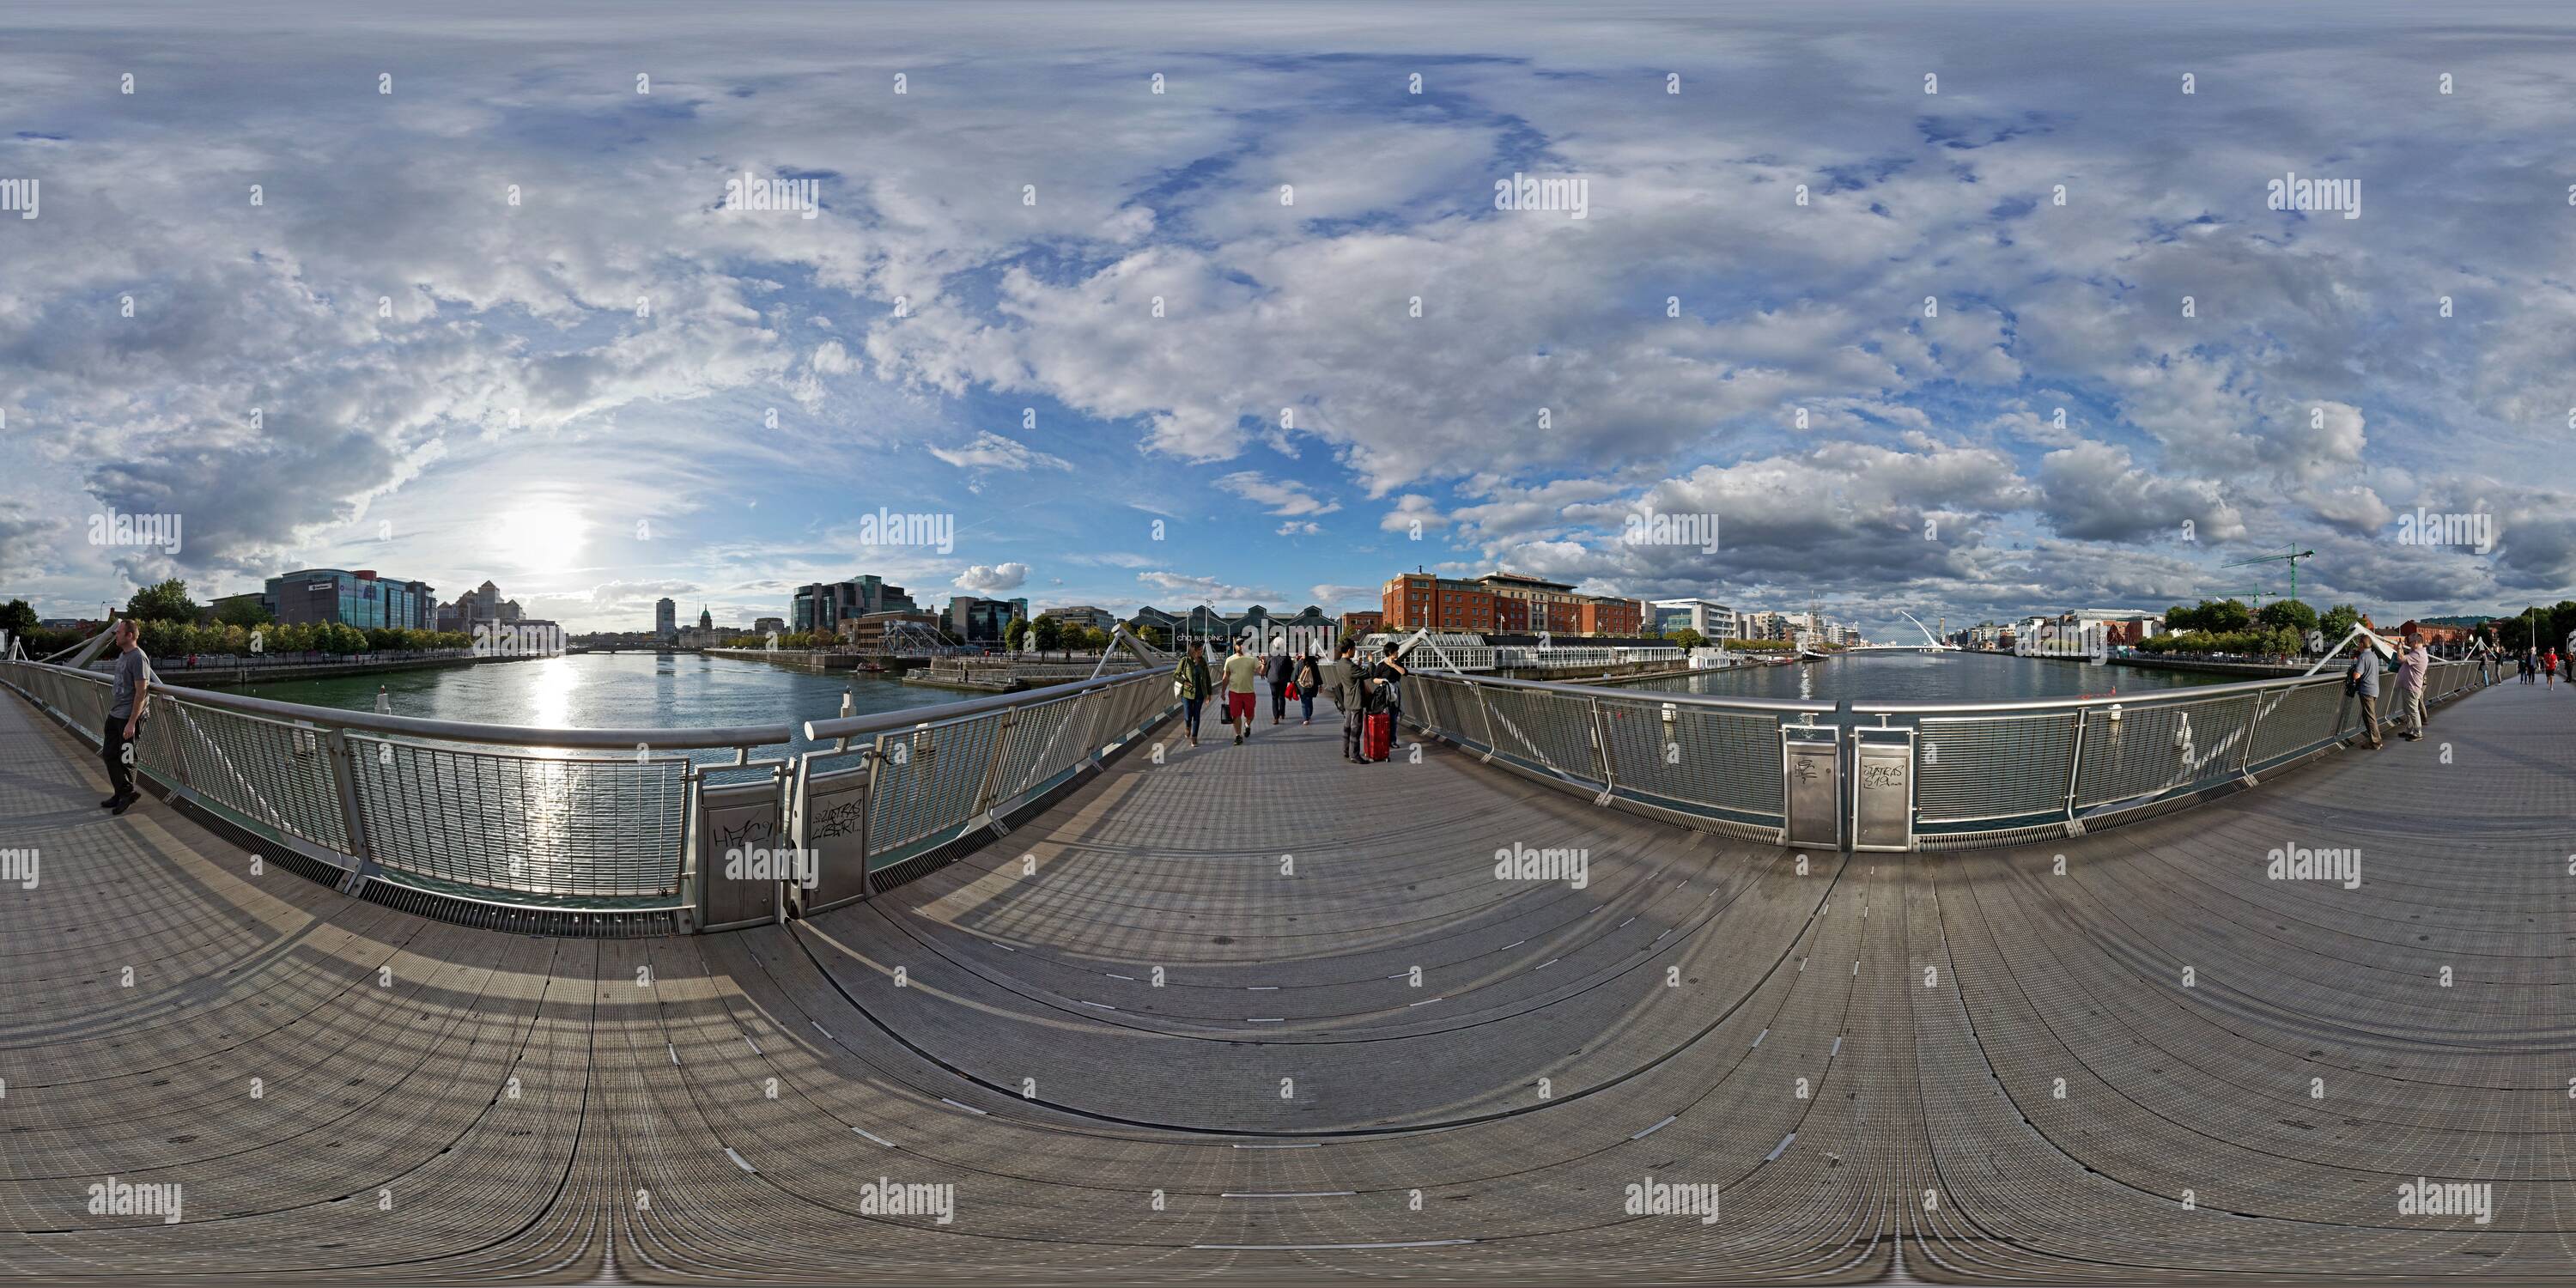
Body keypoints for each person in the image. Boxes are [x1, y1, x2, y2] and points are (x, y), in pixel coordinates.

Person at [101, 618, 154, 814]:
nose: (116, 635)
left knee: (127, 757)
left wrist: (132, 722)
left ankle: (125, 795)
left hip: (129, 718)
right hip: (116, 714)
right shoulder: (123, 655)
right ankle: (123, 792)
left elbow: (141, 692)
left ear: (129, 635)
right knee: (109, 754)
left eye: (119, 632)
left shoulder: (138, 658)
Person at [1326, 638, 1368, 761]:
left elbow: (1352, 675)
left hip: (1347, 699)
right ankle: (1354, 755)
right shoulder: (1350, 666)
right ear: (1349, 650)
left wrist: (1358, 666)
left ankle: (1346, 750)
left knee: (1347, 727)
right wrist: (1370, 662)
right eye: (1354, 649)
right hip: (1355, 701)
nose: (1355, 651)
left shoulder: (1340, 664)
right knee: (1356, 728)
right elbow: (1368, 674)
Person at [1222, 638, 1262, 744]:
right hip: (1234, 692)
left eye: (1243, 644)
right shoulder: (1230, 660)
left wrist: (1264, 664)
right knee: (1236, 715)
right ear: (1235, 646)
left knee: (1250, 715)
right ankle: (1238, 736)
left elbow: (1261, 672)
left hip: (1249, 692)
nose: (1241, 646)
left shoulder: (1252, 659)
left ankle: (1247, 725)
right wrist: (1222, 692)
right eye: (1238, 645)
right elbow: (1226, 676)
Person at [2345, 638, 2382, 750]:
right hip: (2374, 689)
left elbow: (2357, 675)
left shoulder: (2363, 657)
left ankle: (2376, 742)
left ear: (2361, 644)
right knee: (2367, 716)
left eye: (2358, 644)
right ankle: (2372, 741)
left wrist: (2353, 672)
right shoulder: (2373, 656)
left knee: (2370, 717)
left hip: (2366, 690)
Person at [1175, 641, 1213, 747]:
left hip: (1200, 694)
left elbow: (1208, 679)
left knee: (1196, 715)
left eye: (1202, 649)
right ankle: (1187, 726)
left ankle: (1194, 737)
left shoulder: (1203, 662)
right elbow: (1175, 675)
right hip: (1187, 694)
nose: (1202, 651)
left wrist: (1209, 693)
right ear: (1193, 650)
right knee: (1188, 715)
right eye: (1200, 650)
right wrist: (1184, 682)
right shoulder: (1185, 661)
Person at [2395, 626, 2429, 741]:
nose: (2408, 644)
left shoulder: (2418, 654)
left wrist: (2399, 648)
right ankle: (2409, 730)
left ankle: (2418, 733)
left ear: (2415, 642)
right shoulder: (2416, 652)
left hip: (2412, 687)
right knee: (2407, 710)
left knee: (2413, 711)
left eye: (2409, 642)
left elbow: (2400, 658)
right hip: (2408, 686)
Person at [1265, 645, 1296, 724]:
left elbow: (1267, 667)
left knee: (1274, 698)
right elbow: (1291, 668)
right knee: (1282, 696)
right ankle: (1282, 714)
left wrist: (1267, 675)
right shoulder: (1286, 655)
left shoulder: (1270, 655)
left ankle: (1276, 718)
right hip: (1283, 679)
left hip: (1273, 679)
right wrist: (1291, 679)